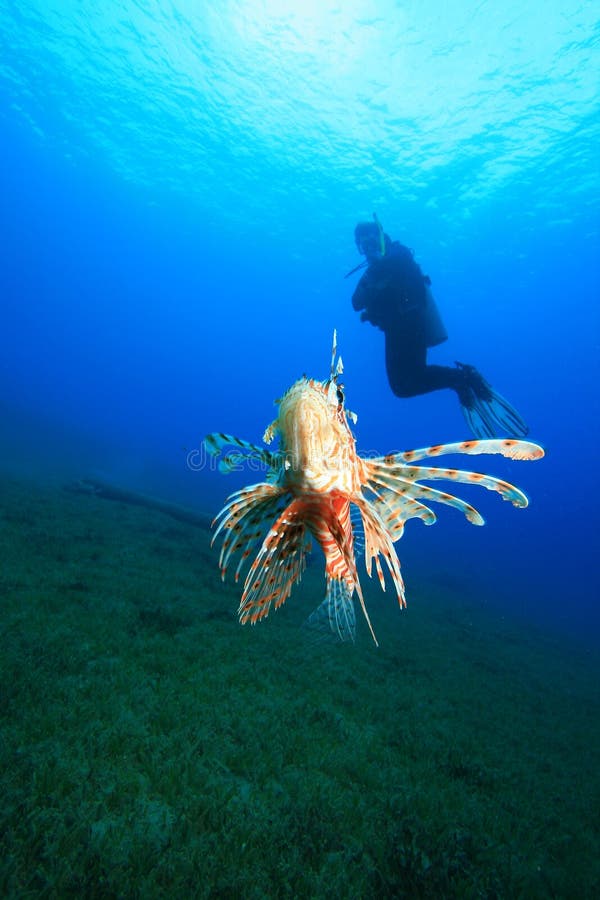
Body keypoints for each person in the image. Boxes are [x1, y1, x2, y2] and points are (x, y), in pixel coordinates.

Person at [348, 215, 529, 439]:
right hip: (394, 331)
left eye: (371, 240)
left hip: (412, 325)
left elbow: (399, 261)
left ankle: (464, 379)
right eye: (362, 244)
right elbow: (356, 302)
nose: (367, 247)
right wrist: (373, 270)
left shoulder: (398, 252)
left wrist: (377, 265)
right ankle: (462, 379)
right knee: (401, 388)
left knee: (407, 383)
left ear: (381, 237)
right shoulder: (373, 269)